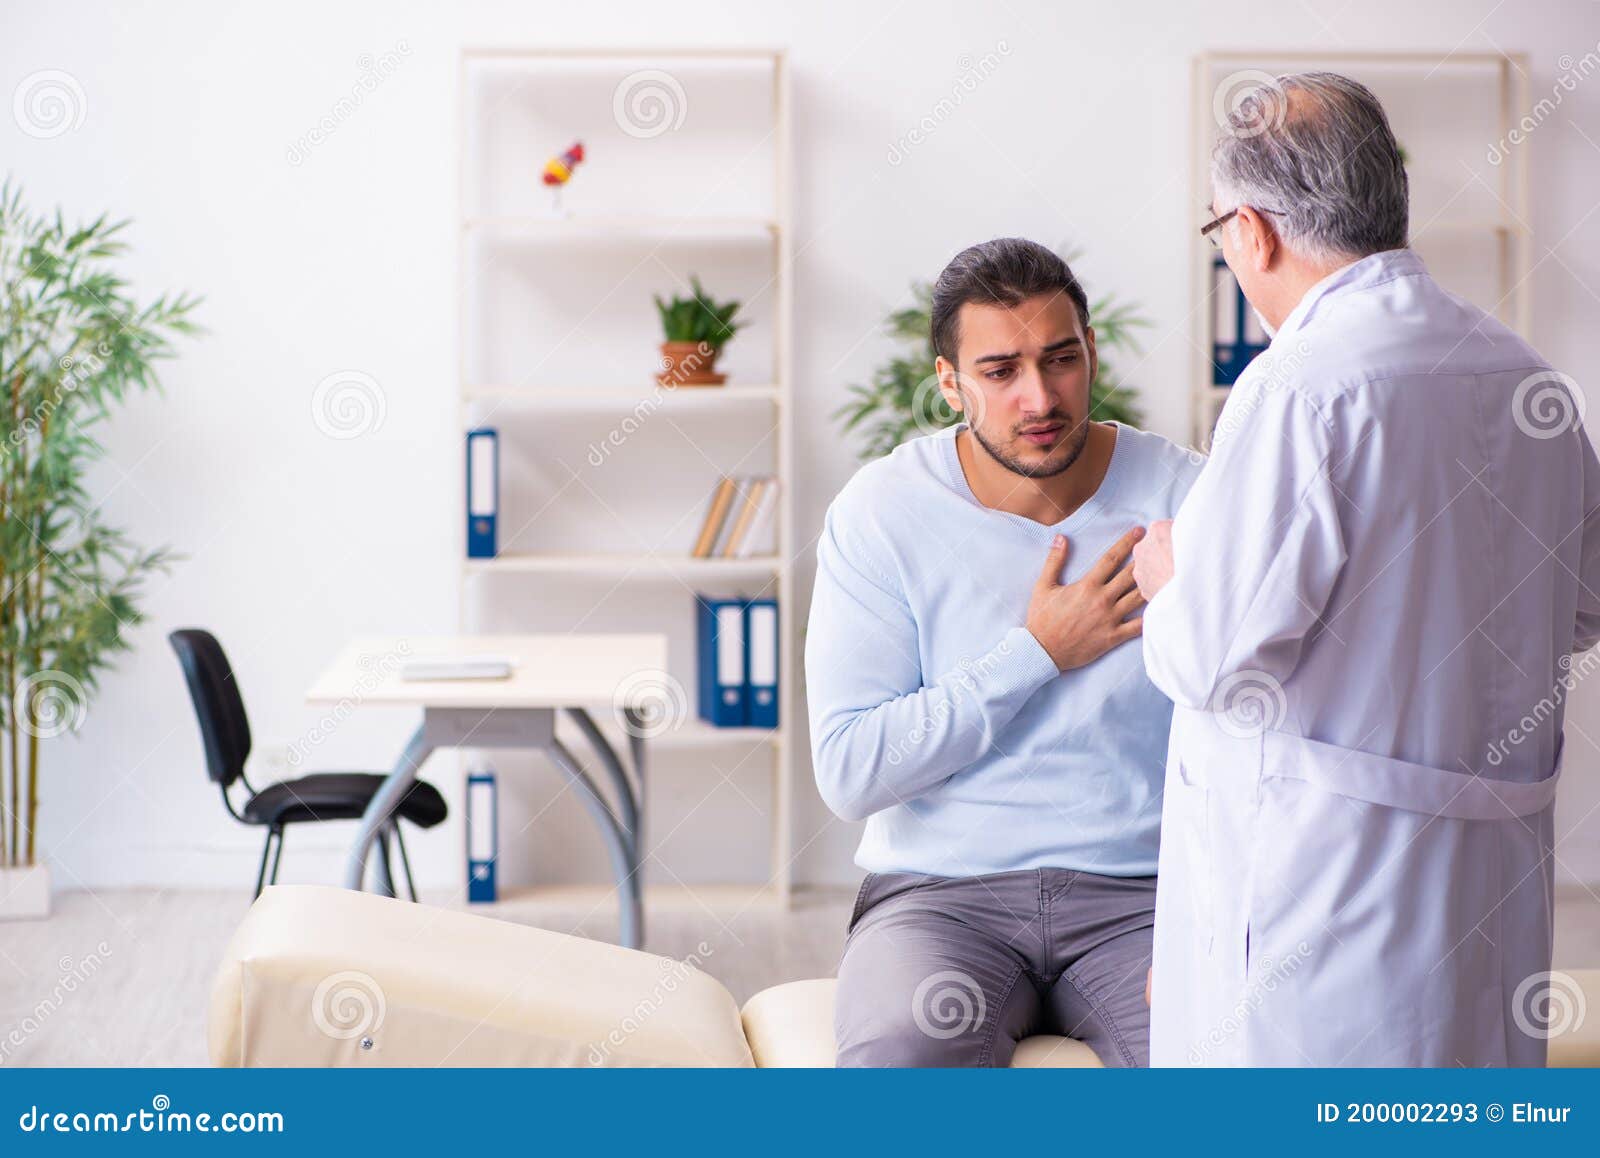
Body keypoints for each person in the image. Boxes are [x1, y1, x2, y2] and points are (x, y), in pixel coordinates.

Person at [1130, 71, 1598, 1066]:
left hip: (1327, 891)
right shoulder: (1521, 369)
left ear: (1251, 231)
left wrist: (1169, 585)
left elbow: (1212, 660)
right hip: (1489, 879)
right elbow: (1584, 601)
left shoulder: (1298, 388)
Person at [806, 237, 1201, 1066]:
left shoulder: (1187, 499)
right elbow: (850, 770)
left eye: (1061, 359)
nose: (1039, 397)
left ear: (1092, 352)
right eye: (1000, 372)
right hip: (941, 898)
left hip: (1147, 896)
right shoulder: (882, 513)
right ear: (949, 384)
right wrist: (1037, 653)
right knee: (898, 1063)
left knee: (1216, 1063)